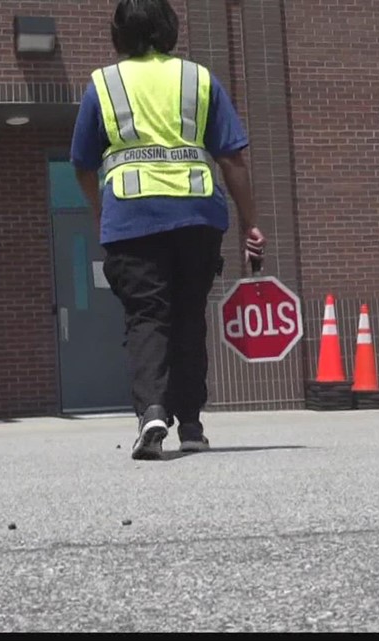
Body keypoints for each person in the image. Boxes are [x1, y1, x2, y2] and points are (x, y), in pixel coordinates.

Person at [70, 0, 266, 460]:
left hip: (132, 220)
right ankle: (192, 425)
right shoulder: (199, 79)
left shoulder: (105, 83)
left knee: (147, 317)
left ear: (119, 33)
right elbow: (232, 159)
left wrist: (101, 212)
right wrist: (251, 223)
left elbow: (82, 164)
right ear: (170, 28)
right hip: (197, 217)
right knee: (188, 317)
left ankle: (152, 411)